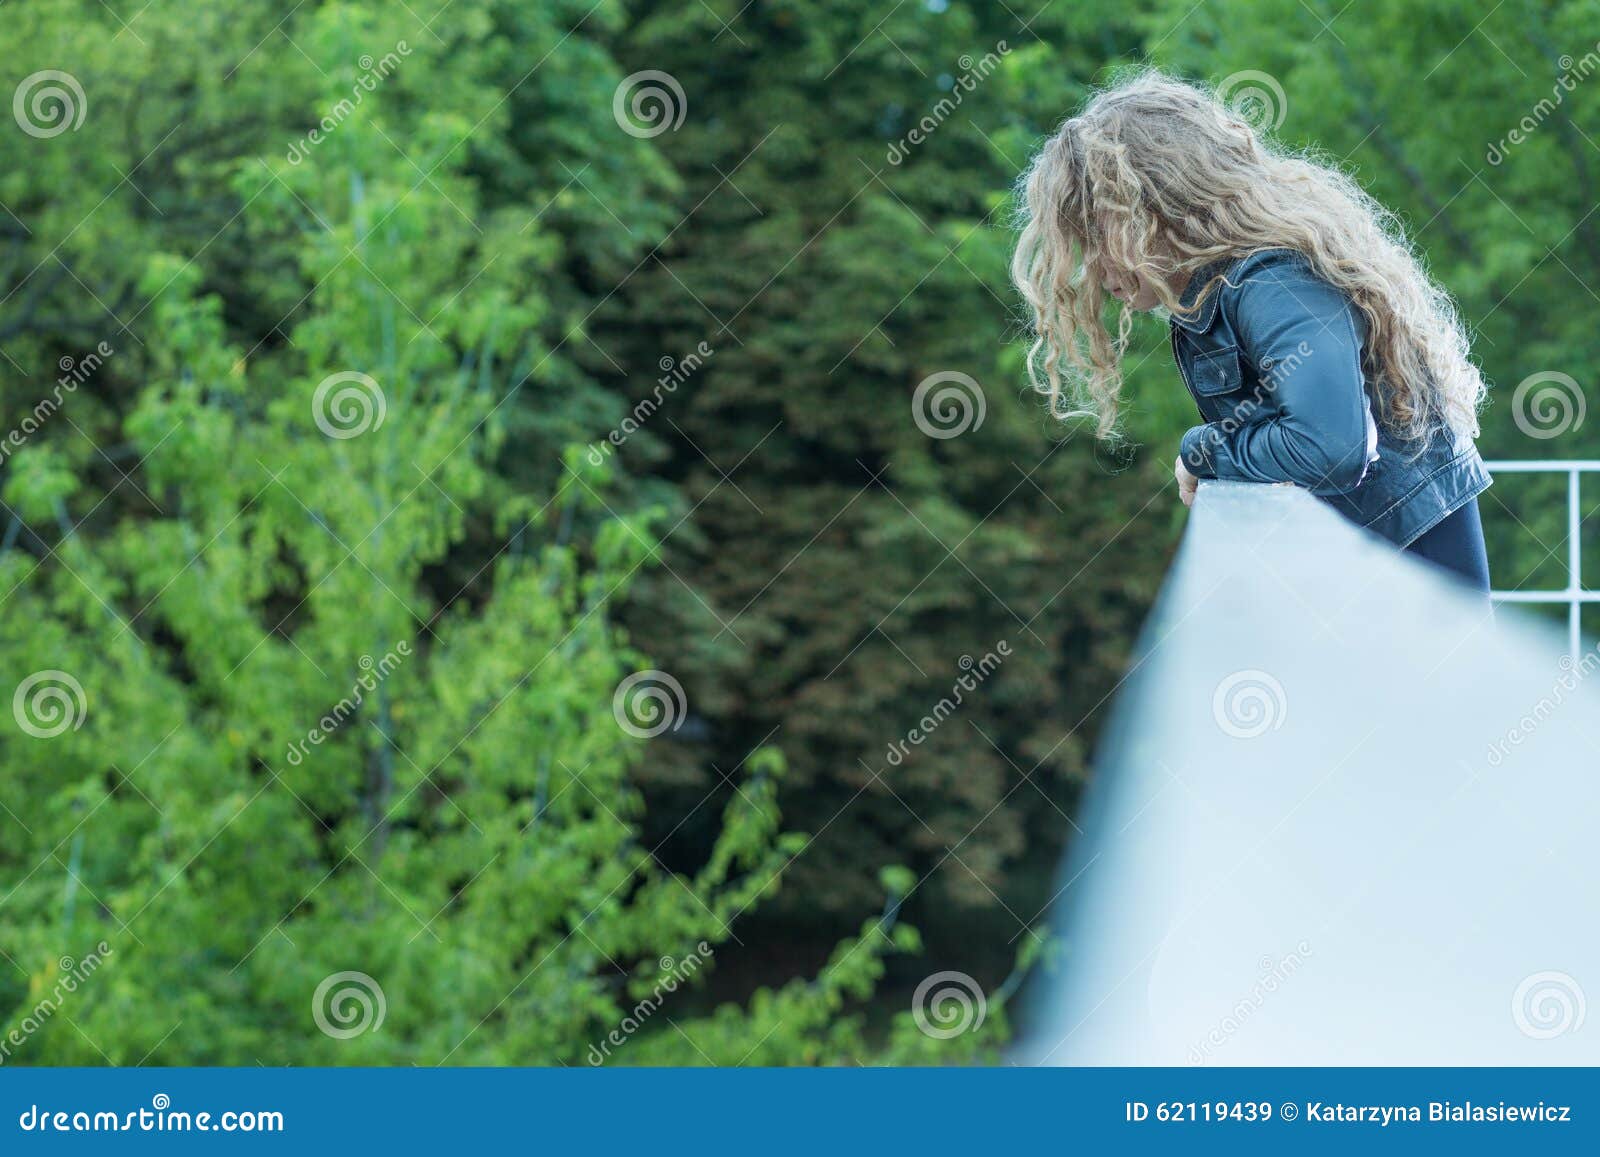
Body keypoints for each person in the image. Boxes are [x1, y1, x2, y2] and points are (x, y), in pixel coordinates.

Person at [1009, 71, 1492, 592]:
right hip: (1371, 567)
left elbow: (1328, 447)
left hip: (1409, 584)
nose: (1096, 271)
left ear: (1158, 207)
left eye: (1098, 236)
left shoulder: (1272, 281)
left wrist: (1202, 450)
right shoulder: (1217, 292)